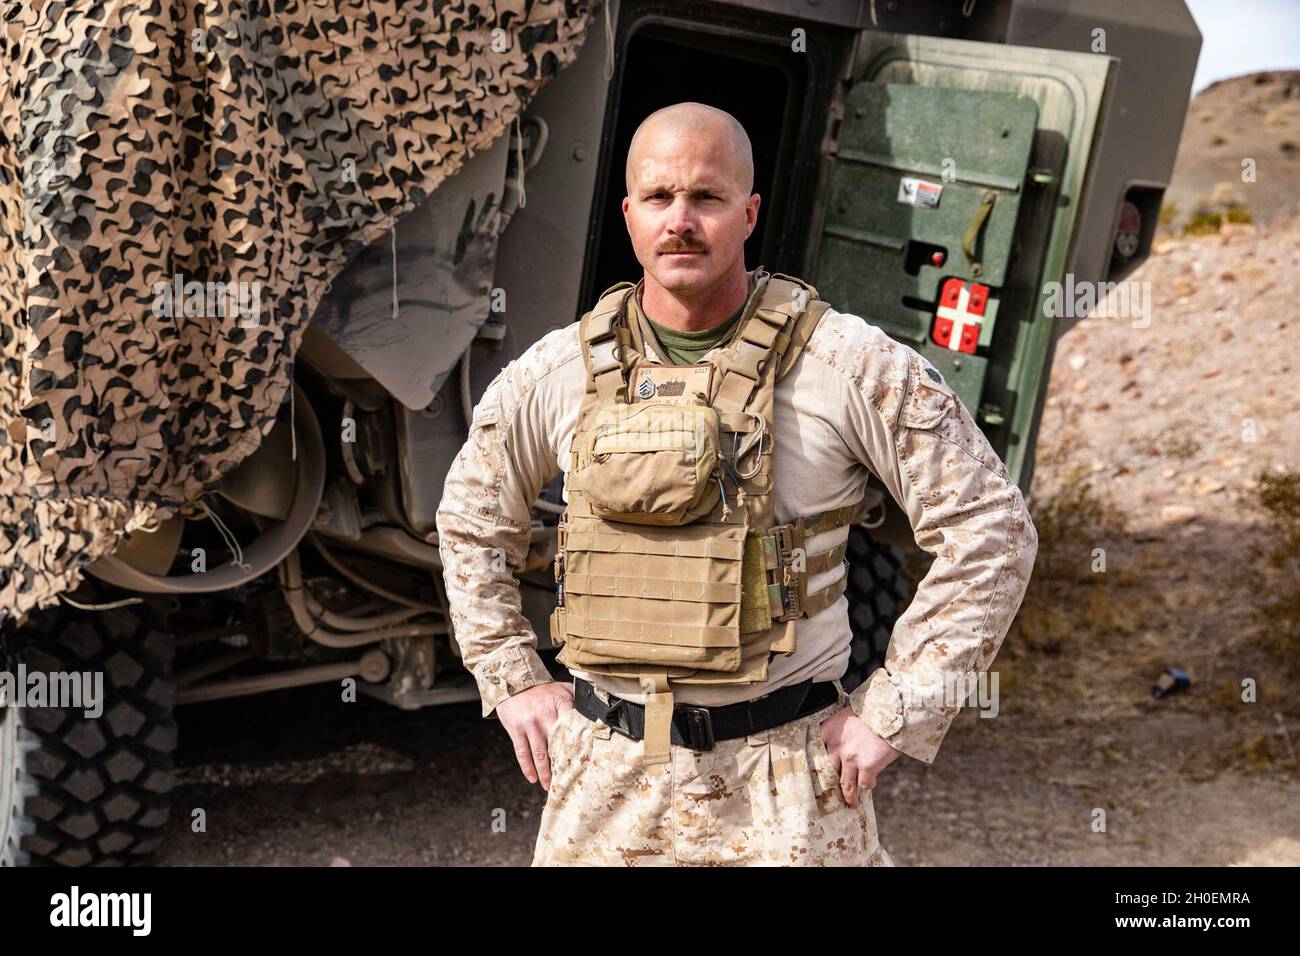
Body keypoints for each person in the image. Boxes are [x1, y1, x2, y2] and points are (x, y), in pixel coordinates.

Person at [435, 102, 1038, 866]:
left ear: (749, 213)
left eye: (706, 198)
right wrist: (510, 674)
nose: (679, 220)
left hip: (784, 783)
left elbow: (992, 529)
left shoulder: (846, 364)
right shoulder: (558, 374)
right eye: (658, 198)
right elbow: (469, 518)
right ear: (627, 215)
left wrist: (895, 711)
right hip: (606, 779)